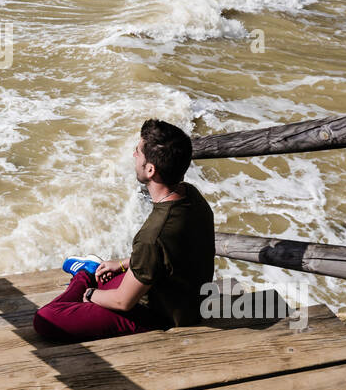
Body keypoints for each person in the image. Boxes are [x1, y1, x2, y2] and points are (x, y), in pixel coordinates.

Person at [32, 119, 216, 342]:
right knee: (103, 280)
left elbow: (123, 302)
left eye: (137, 152)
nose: (133, 155)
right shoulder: (191, 196)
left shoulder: (154, 233)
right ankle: (90, 273)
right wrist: (120, 264)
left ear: (150, 169)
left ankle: (83, 276)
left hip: (160, 315)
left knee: (47, 319)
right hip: (186, 300)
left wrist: (89, 295)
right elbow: (169, 253)